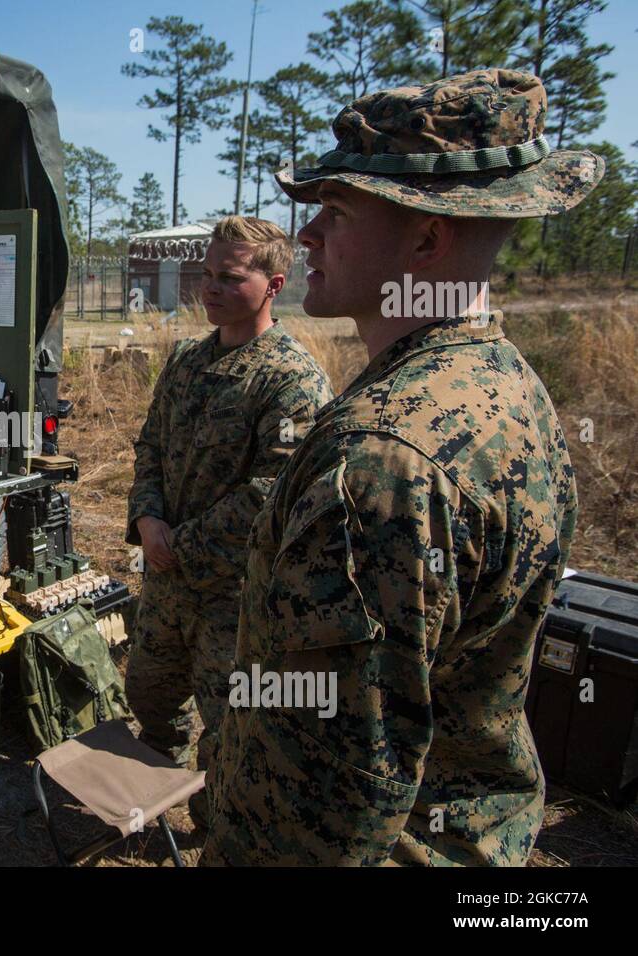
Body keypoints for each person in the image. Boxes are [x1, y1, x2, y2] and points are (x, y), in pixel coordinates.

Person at [201, 69, 603, 866]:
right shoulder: (506, 386)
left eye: (338, 211)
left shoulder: (381, 464)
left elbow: (317, 812)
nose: (307, 234)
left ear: (426, 238)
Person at [125, 215, 333, 822]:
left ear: (274, 283)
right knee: (151, 694)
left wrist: (179, 543)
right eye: (206, 275)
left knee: (230, 724)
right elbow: (150, 448)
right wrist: (146, 519)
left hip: (234, 595)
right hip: (166, 577)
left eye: (229, 277)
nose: (210, 289)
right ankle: (149, 789)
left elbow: (274, 490)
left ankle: (217, 829)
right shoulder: (187, 362)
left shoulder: (291, 379)